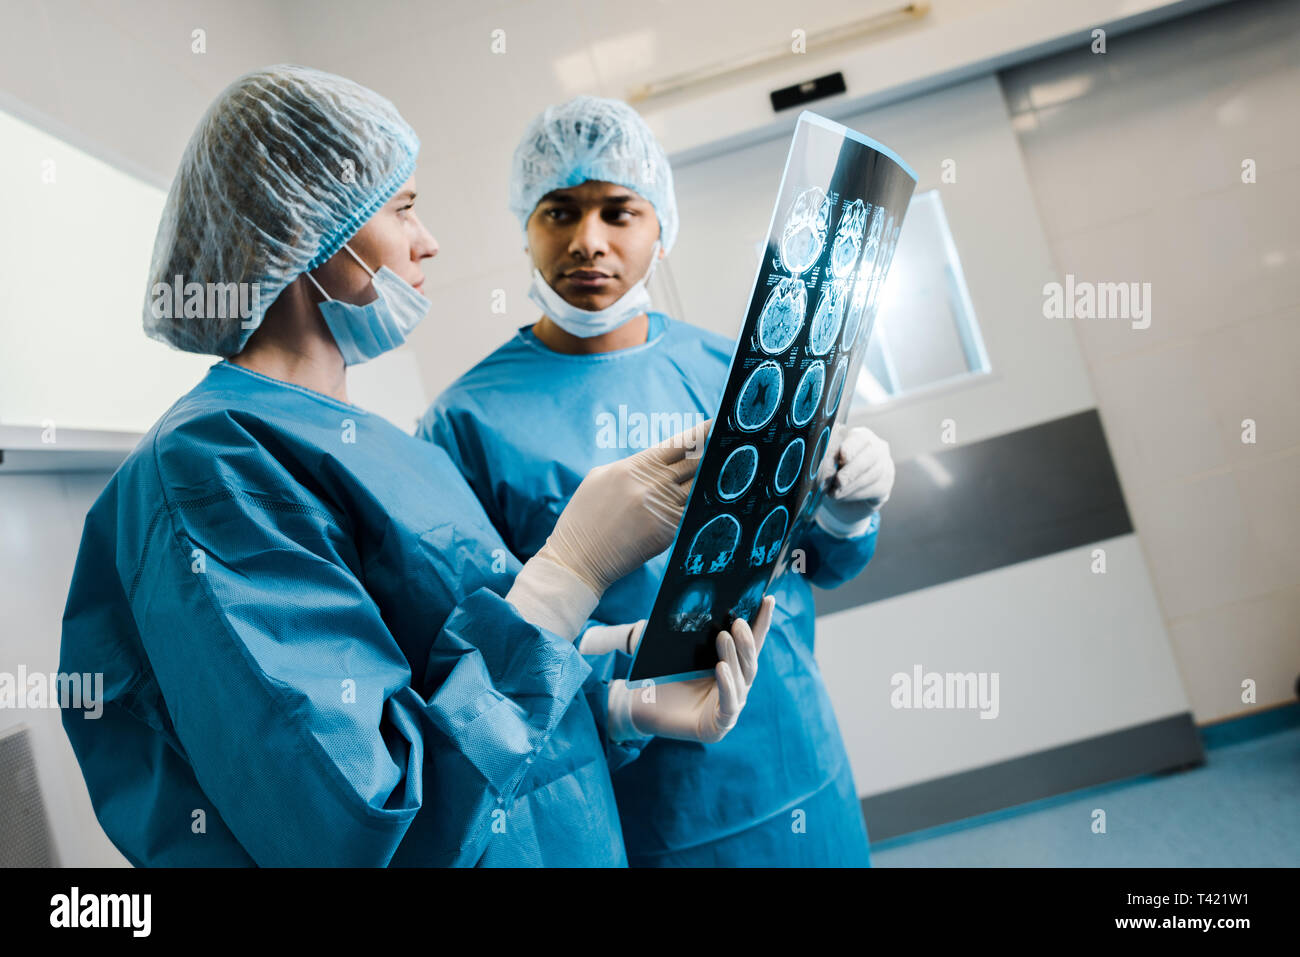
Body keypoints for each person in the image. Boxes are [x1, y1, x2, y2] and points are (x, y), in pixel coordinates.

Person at [58, 67, 772, 868]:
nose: (427, 240)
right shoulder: (210, 470)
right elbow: (365, 824)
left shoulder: (369, 444)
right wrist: (568, 571)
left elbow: (451, 686)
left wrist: (619, 697)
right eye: (402, 209)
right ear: (306, 230)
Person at [419, 95, 897, 867]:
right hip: (625, 783)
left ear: (661, 228)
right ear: (526, 227)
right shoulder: (467, 421)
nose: (588, 241)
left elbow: (823, 563)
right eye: (559, 212)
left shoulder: (737, 371)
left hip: (789, 754)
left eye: (619, 211)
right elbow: (481, 638)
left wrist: (847, 510)